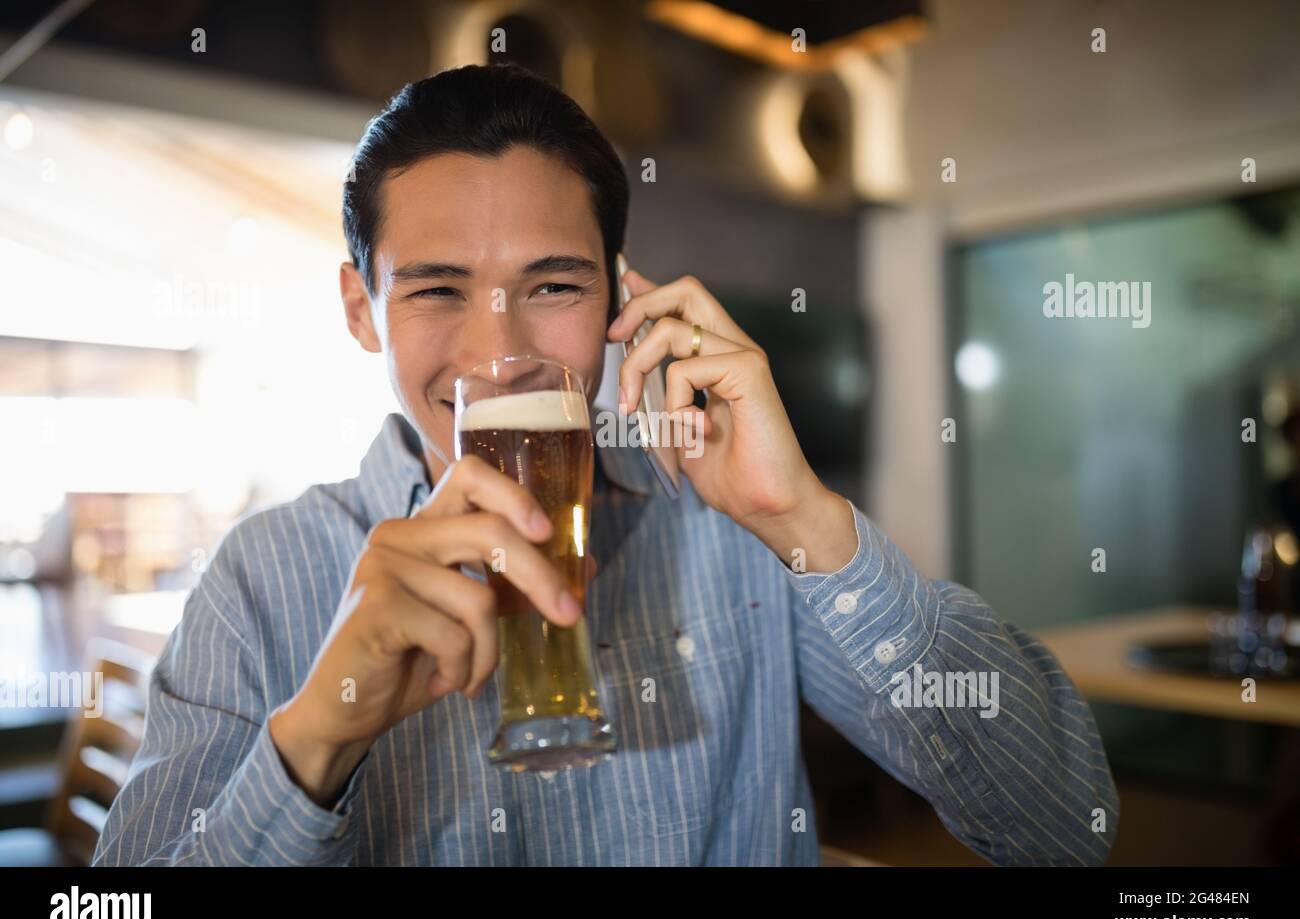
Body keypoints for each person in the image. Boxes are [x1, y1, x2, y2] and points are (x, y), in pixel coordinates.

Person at [94, 63, 1117, 866]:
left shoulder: (722, 519)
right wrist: (315, 739)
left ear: (623, 299)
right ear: (362, 309)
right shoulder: (258, 582)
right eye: (438, 290)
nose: (497, 351)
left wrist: (800, 517)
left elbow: (1065, 826)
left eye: (551, 286)